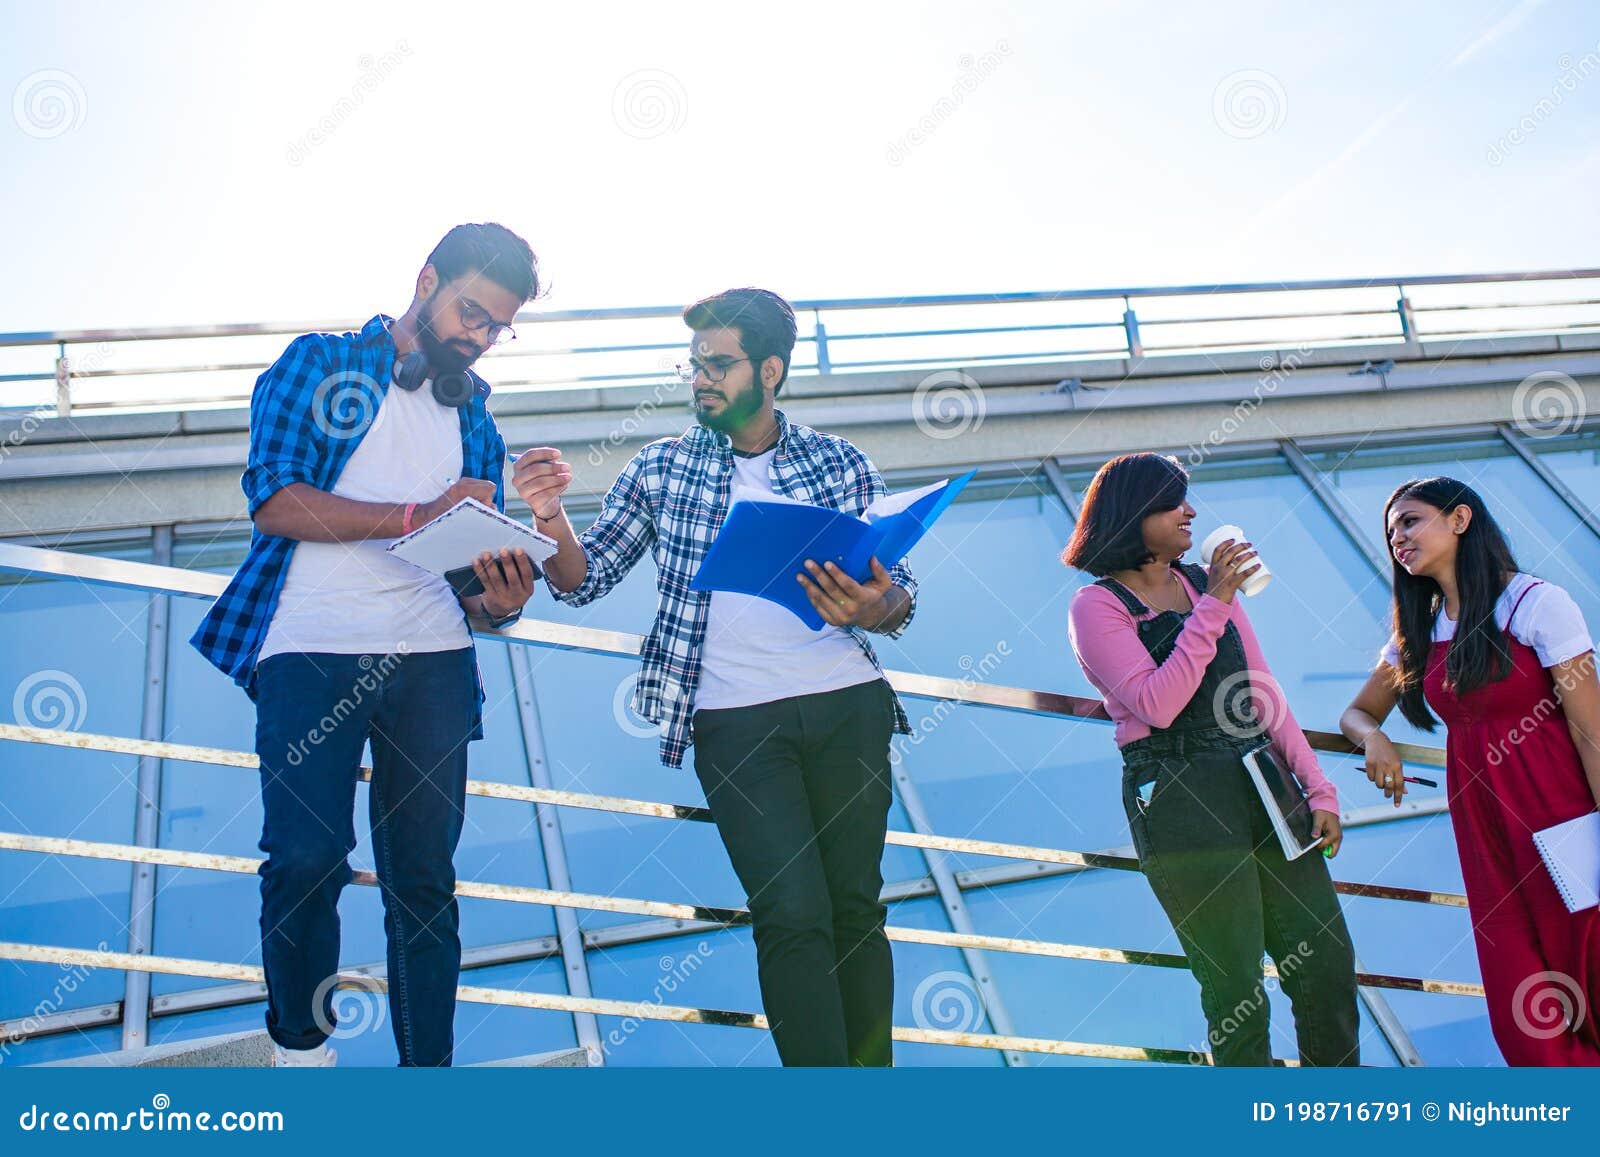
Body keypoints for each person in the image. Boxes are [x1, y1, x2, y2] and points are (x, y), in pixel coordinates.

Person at [511, 287, 918, 1066]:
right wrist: (549, 516)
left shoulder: (840, 461)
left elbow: (898, 594)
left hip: (845, 704)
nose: (700, 377)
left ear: (770, 369)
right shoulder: (660, 466)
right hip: (736, 722)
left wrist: (876, 603)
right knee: (792, 910)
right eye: (692, 363)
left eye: (717, 363)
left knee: (856, 908)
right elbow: (582, 577)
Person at [190, 223, 544, 1066]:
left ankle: (427, 1082)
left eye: (497, 327)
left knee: (424, 880)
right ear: (425, 279)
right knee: (306, 857)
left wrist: (500, 599)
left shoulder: (476, 411)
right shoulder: (319, 362)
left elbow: (468, 576)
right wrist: (417, 517)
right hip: (310, 649)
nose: (479, 336)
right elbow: (276, 499)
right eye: (470, 311)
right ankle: (302, 1054)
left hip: (433, 662)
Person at [1064, 452, 1359, 1066]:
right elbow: (1157, 703)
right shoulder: (1098, 606)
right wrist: (1215, 602)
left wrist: (1319, 788)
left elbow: (1261, 689)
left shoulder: (1203, 585)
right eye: (1173, 502)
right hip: (1177, 793)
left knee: (1325, 960)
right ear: (1133, 514)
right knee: (1234, 985)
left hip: (1262, 779)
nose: (1190, 512)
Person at [1340, 476, 1600, 1065]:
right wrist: (1375, 738)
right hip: (1485, 837)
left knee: (1588, 980)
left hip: (1563, 822)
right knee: (1526, 1020)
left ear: (1459, 520)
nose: (1397, 538)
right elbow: (1356, 712)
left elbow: (1591, 731)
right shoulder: (1421, 629)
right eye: (1390, 532)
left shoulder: (1536, 602)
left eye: (1409, 521)